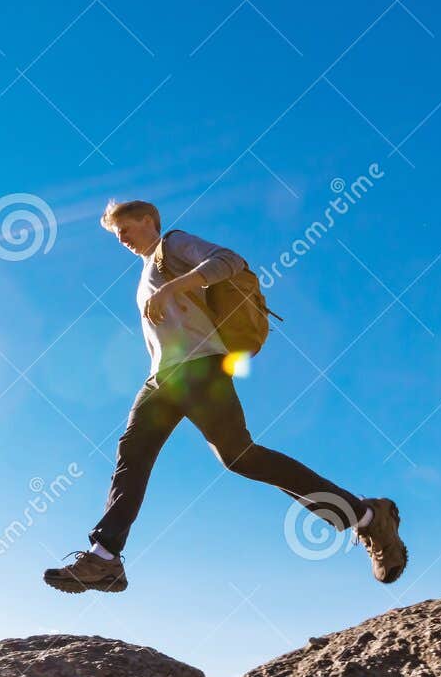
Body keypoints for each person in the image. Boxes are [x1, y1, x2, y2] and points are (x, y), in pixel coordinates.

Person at [43, 198, 407, 593]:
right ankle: (105, 557)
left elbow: (229, 260)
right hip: (162, 379)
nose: (122, 240)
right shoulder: (146, 271)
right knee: (132, 453)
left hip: (201, 368)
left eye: (125, 230)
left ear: (148, 220)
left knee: (240, 457)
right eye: (118, 236)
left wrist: (173, 288)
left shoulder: (174, 244)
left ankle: (368, 516)